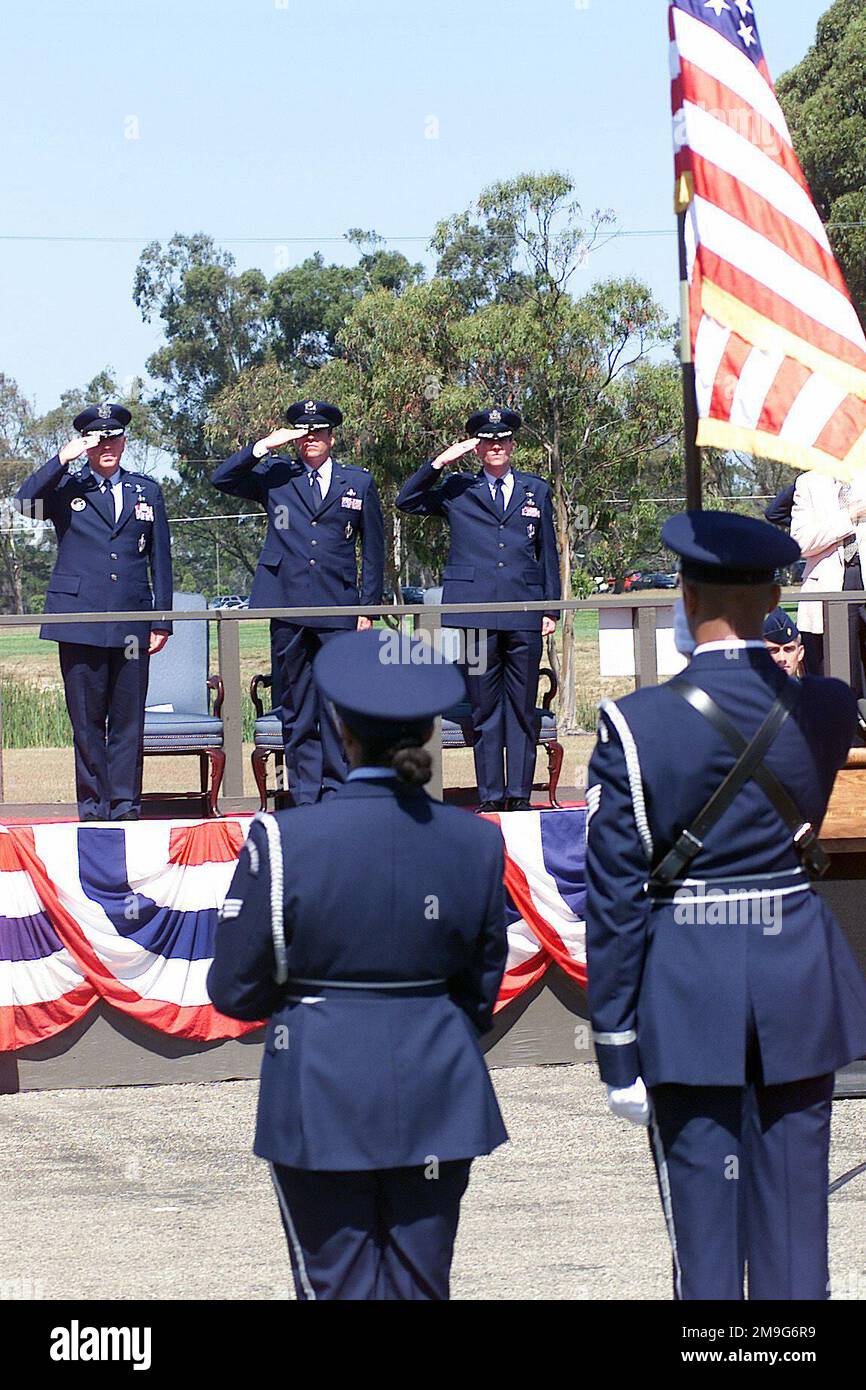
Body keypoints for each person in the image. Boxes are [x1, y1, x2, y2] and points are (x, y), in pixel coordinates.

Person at [584, 510, 866, 1301]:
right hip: (797, 981)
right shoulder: (828, 706)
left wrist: (614, 1042)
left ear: (684, 590)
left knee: (706, 1253)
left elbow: (613, 899)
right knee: (796, 1243)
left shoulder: (635, 726)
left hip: (689, 987)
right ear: (775, 592)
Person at [207, 630, 508, 1301]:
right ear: (430, 731)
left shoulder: (284, 842)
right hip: (439, 1088)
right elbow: (482, 991)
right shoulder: (476, 844)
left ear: (339, 728)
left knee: (335, 1289)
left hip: (320, 1089)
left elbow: (234, 988)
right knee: (421, 1287)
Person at [211, 400, 385, 805]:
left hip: (338, 604)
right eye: (303, 433)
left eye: (319, 433)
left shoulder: (357, 482)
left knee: (340, 702)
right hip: (287, 602)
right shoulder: (275, 476)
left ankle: (339, 788)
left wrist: (368, 607)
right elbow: (222, 479)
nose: (311, 440)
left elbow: (373, 551)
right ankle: (305, 791)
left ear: (332, 437)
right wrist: (263, 447)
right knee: (296, 702)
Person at [396, 408, 560, 812]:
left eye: (503, 440)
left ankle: (519, 797)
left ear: (513, 445)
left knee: (521, 709)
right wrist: (440, 462)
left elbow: (547, 553)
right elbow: (407, 500)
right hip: (475, 612)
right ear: (477, 448)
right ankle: (490, 796)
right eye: (488, 441)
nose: (496, 447)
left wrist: (550, 609)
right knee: (485, 710)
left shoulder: (534, 490)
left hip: (524, 609)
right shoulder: (458, 488)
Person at [16, 403, 172, 821]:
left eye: (114, 438)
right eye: (98, 440)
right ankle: (92, 806)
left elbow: (161, 560)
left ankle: (124, 805)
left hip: (132, 622)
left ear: (124, 442)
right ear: (86, 446)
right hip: (79, 619)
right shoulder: (67, 488)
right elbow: (24, 503)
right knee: (86, 722)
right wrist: (62, 458)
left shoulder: (146, 491)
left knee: (128, 721)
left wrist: (161, 621)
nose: (107, 446)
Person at [790, 469, 866, 689]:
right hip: (830, 587)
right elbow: (800, 543)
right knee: (838, 674)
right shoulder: (808, 483)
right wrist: (848, 516)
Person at [763, 607, 805, 678]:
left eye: (788, 649)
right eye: (773, 650)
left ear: (800, 653)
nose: (782, 658)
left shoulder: (813, 689)